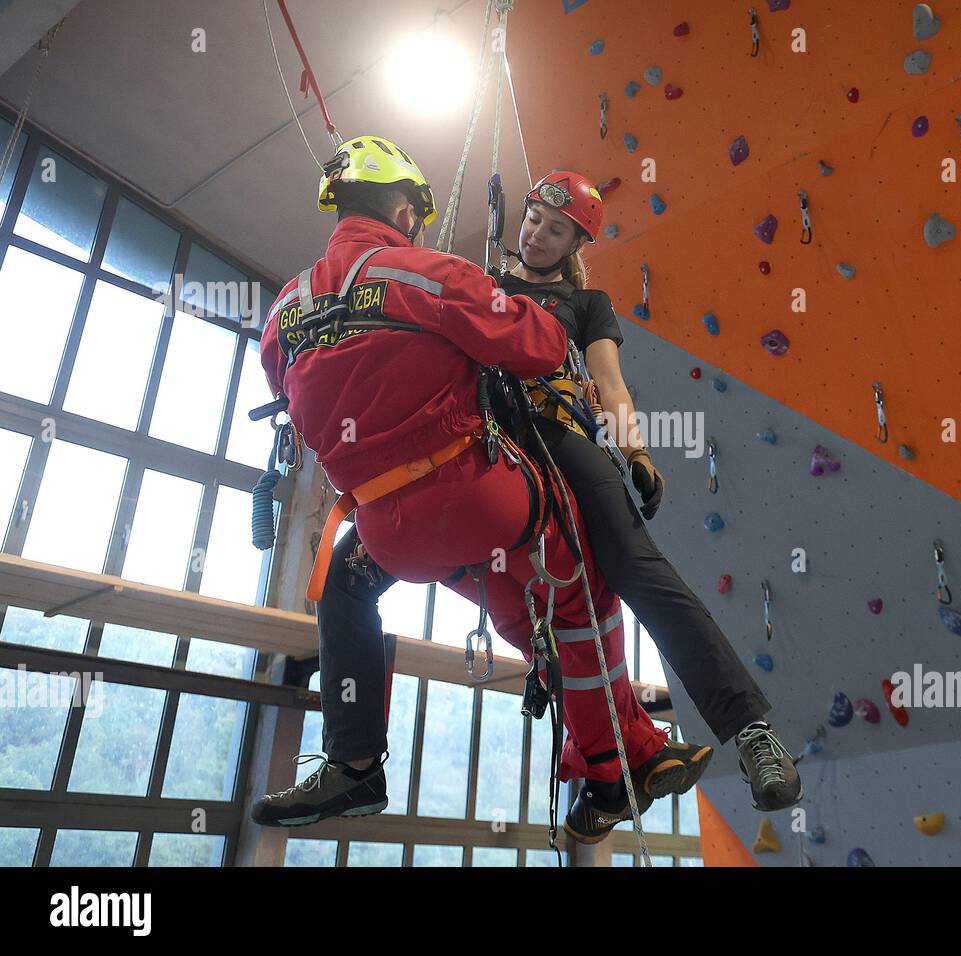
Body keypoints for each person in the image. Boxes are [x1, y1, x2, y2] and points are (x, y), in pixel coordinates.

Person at [249, 137, 707, 843]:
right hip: (484, 499)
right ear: (405, 208)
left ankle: (354, 761)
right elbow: (541, 346)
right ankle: (620, 764)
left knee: (347, 589)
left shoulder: (284, 310)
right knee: (576, 601)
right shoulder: (431, 271)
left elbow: (284, 384)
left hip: (386, 534)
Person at [494, 171, 802, 814]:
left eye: (555, 230)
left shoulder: (587, 304)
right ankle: (604, 765)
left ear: (576, 241)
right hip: (483, 436)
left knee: (637, 569)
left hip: (554, 430)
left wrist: (633, 449)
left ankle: (751, 731)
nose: (536, 235)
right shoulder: (482, 285)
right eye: (531, 220)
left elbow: (609, 384)